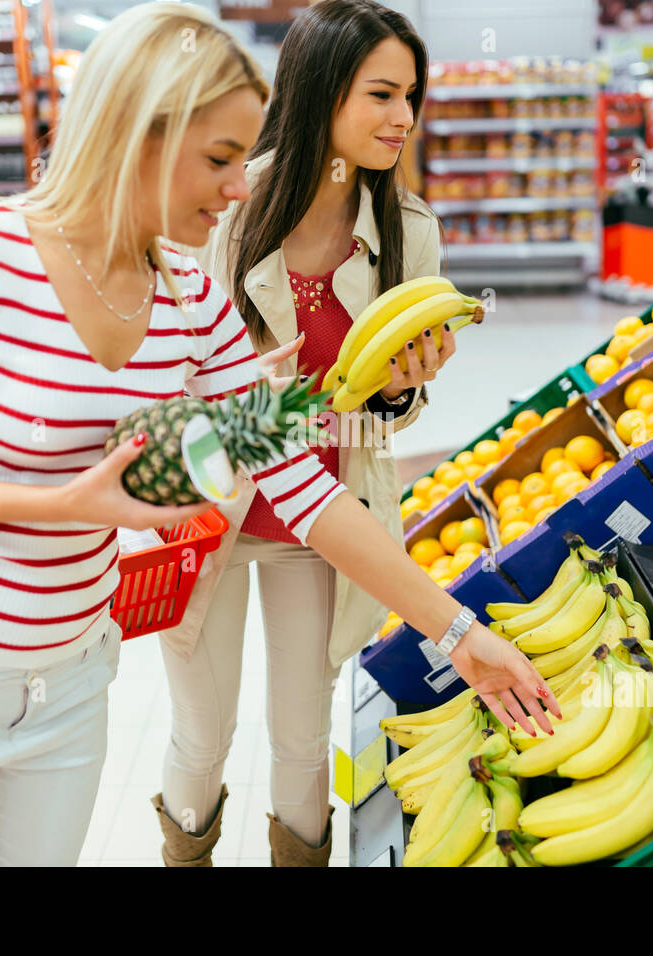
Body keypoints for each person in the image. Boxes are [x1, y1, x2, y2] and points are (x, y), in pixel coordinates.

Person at [0, 1, 550, 867]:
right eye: (220, 159)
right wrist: (62, 503)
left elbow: (301, 484)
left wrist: (459, 636)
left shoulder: (191, 301)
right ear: (135, 131)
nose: (243, 188)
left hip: (70, 681)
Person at [154, 0, 465, 867]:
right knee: (201, 736)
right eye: (381, 94)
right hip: (209, 514)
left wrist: (404, 393)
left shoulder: (410, 235)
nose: (403, 118)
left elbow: (388, 414)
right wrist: (249, 392)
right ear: (322, 90)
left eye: (411, 95)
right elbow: (164, 380)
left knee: (302, 739)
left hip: (323, 519)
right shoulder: (224, 214)